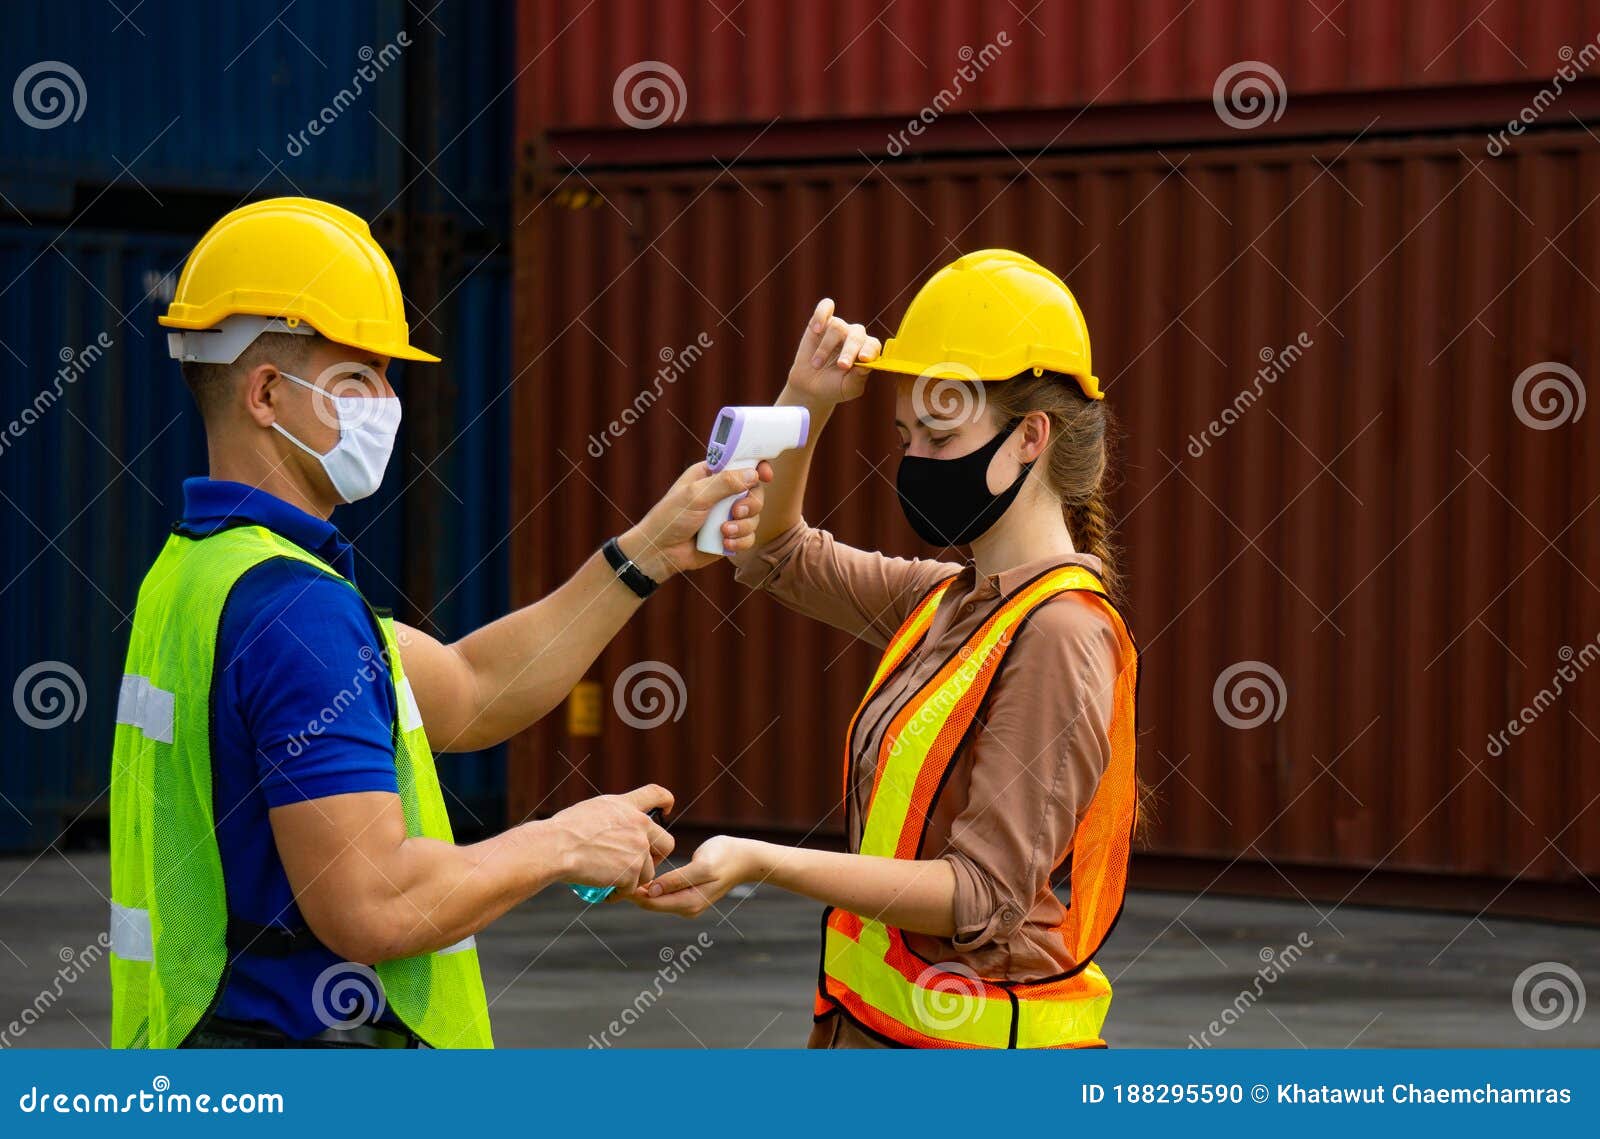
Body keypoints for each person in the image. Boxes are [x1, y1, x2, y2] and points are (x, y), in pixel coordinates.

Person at [109, 197, 770, 1049]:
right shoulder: (293, 611)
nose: (389, 401)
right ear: (267, 392)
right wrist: (562, 842)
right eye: (358, 378)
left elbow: (472, 690)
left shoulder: (203, 570)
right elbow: (372, 900)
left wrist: (649, 551)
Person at [632, 250, 1140, 1049]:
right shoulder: (945, 599)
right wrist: (807, 400)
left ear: (1029, 439)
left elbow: (979, 895)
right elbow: (775, 555)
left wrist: (766, 862)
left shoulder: (1062, 635)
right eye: (906, 436)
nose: (914, 463)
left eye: (939, 436)